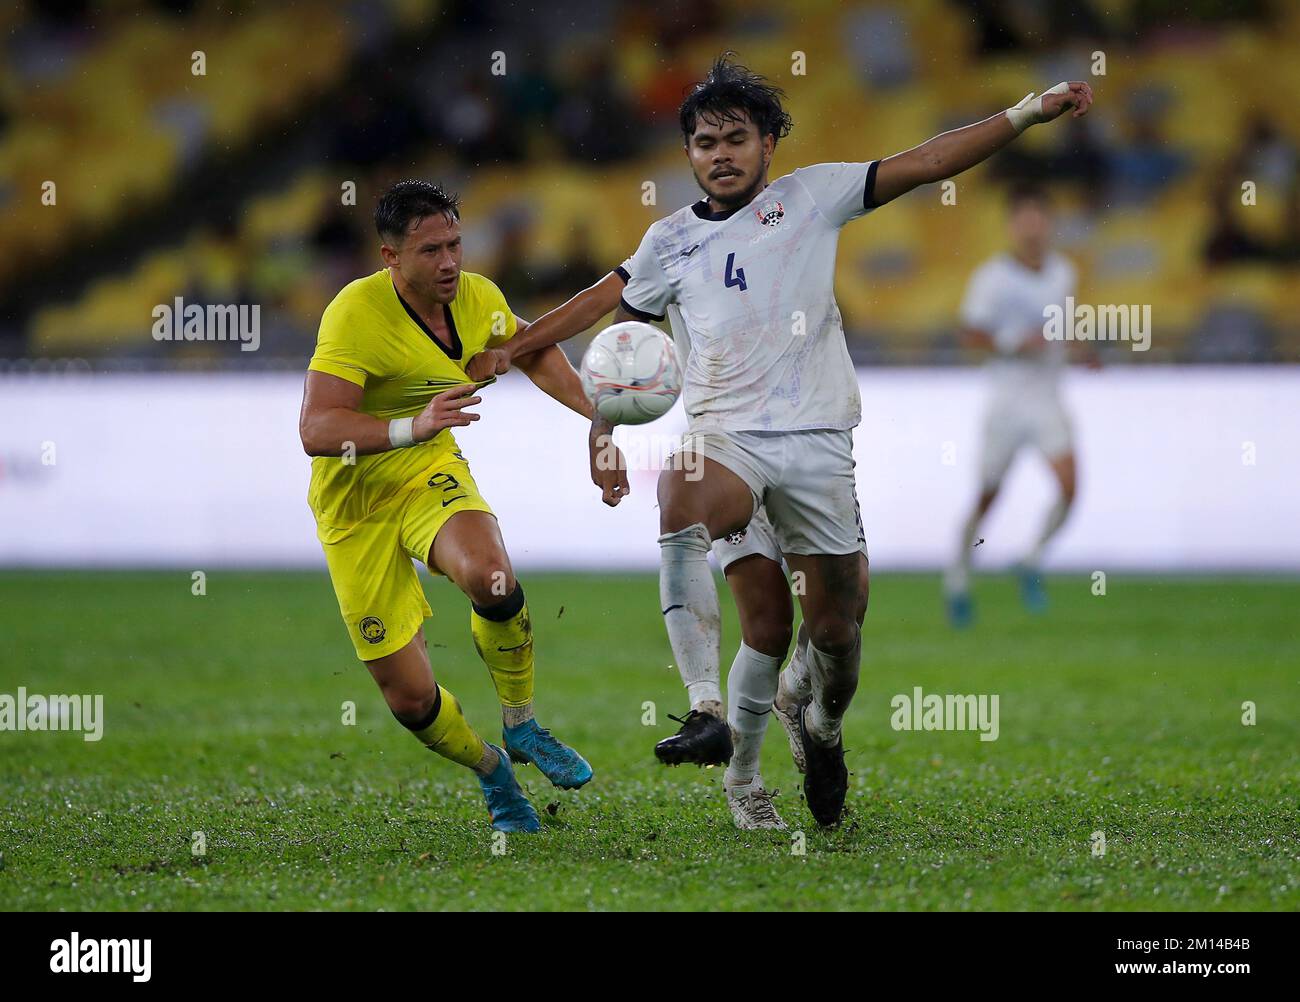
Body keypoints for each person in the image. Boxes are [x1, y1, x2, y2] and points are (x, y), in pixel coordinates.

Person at [475, 56, 1093, 826]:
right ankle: (720, 739)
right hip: (727, 442)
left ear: (770, 143)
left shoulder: (814, 197)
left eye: (737, 138)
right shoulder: (666, 244)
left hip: (817, 443)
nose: (720, 154)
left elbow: (930, 159)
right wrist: (548, 378)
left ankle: (821, 724)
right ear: (689, 154)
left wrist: (1028, 111)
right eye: (705, 142)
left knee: (835, 632)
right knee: (711, 538)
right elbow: (609, 322)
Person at [298, 180, 598, 833]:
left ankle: (521, 725)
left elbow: (531, 348)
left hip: (427, 469)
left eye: (456, 244)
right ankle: (492, 768)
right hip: (354, 501)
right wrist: (414, 423)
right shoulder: (355, 313)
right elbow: (316, 430)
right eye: (430, 250)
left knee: (492, 575)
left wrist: (597, 418)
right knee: (409, 699)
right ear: (390, 258)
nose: (449, 263)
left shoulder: (477, 298)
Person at [944, 183, 1084, 625]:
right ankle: (959, 576)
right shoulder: (992, 278)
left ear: (1049, 224)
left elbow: (1064, 328)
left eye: (1040, 218)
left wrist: (1081, 348)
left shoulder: (1064, 272)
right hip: (1005, 400)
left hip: (1047, 397)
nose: (1033, 228)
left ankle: (1031, 560)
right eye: (1024, 219)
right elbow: (970, 334)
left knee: (1069, 487)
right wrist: (1014, 342)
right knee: (988, 496)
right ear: (1011, 226)